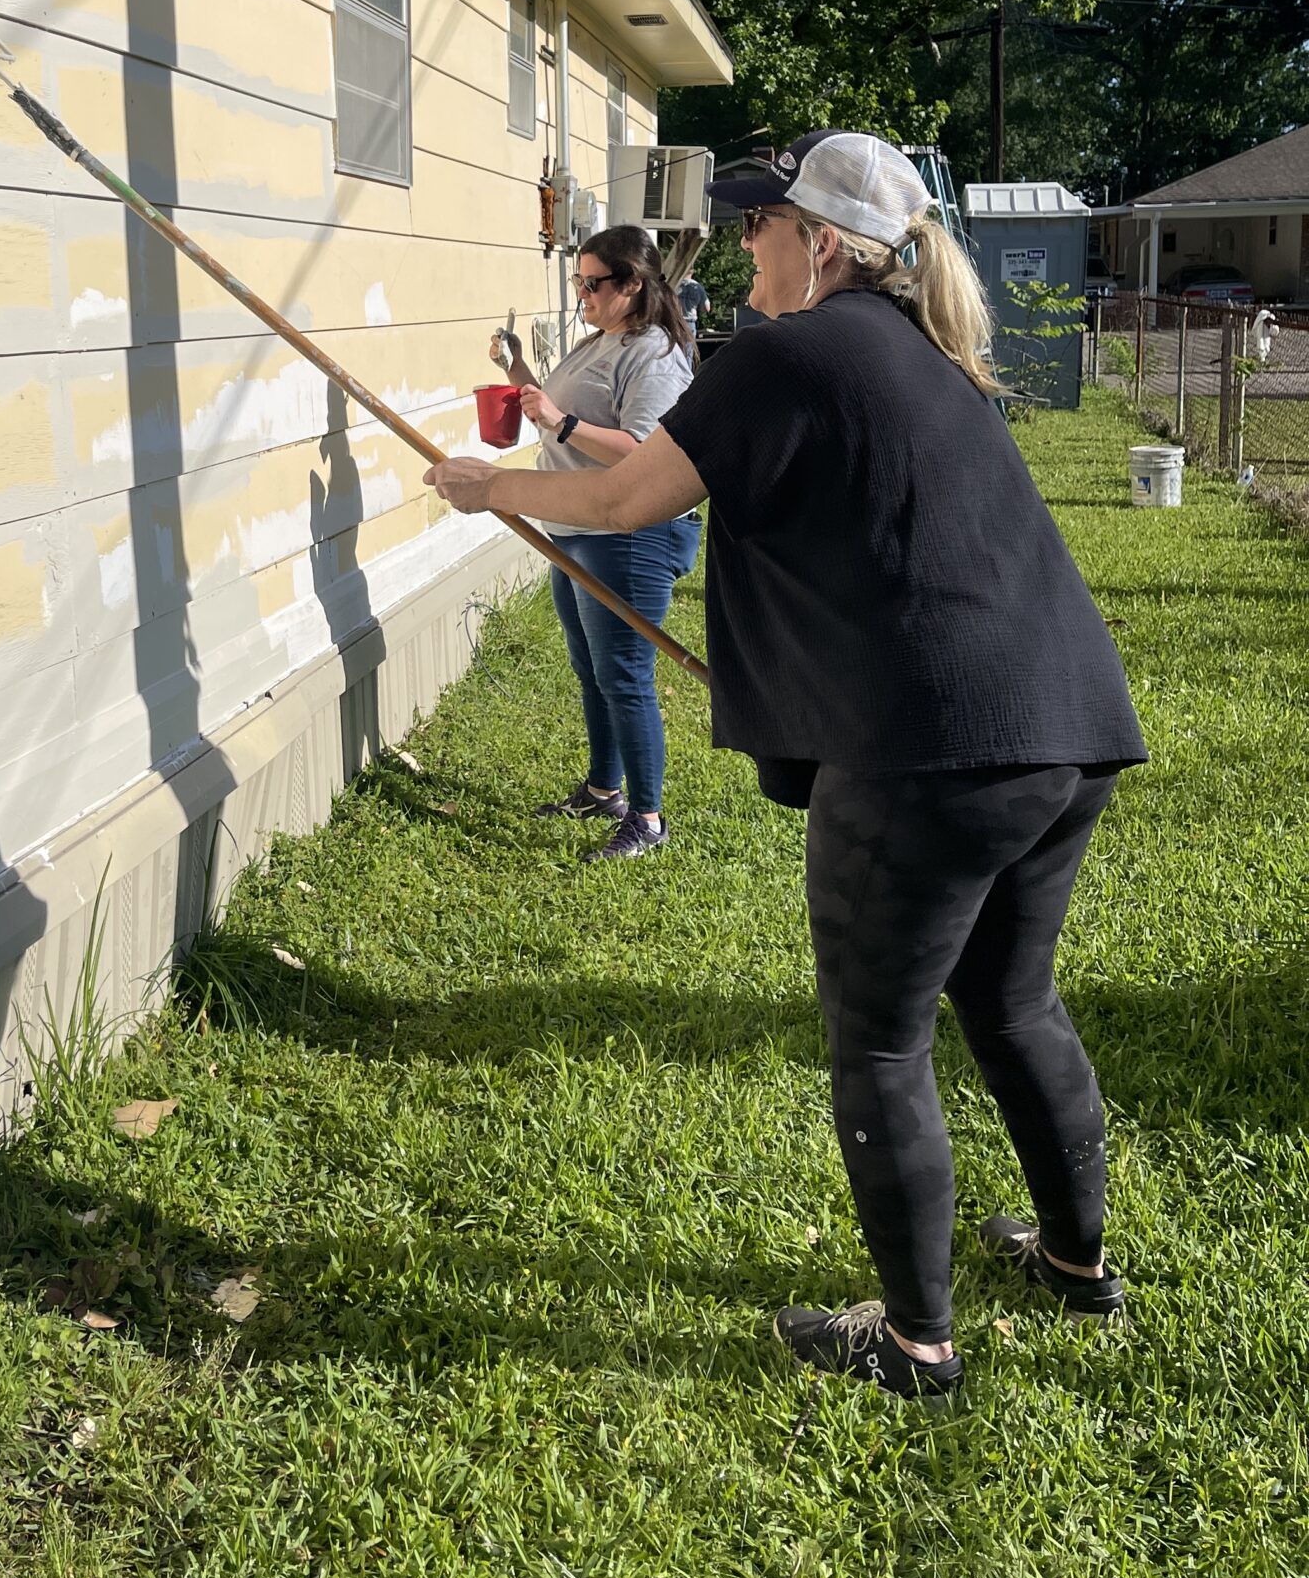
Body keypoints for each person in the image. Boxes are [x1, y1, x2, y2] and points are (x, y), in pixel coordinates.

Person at [431, 132, 1145, 1398]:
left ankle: (918, 1346)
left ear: (820, 243)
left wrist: (491, 485)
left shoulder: (794, 351)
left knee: (879, 1043)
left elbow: (625, 498)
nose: (742, 241)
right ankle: (1080, 1269)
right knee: (1013, 1002)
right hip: (1066, 725)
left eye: (762, 221)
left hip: (932, 748)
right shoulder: (933, 360)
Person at [493, 225, 698, 863]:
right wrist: (517, 368)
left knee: (625, 676)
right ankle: (605, 789)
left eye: (592, 283)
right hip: (578, 527)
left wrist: (565, 422)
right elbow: (553, 409)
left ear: (633, 284)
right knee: (592, 671)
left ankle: (648, 816)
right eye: (578, 281)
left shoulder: (652, 353)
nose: (581, 293)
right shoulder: (600, 341)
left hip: (627, 535)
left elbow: (645, 454)